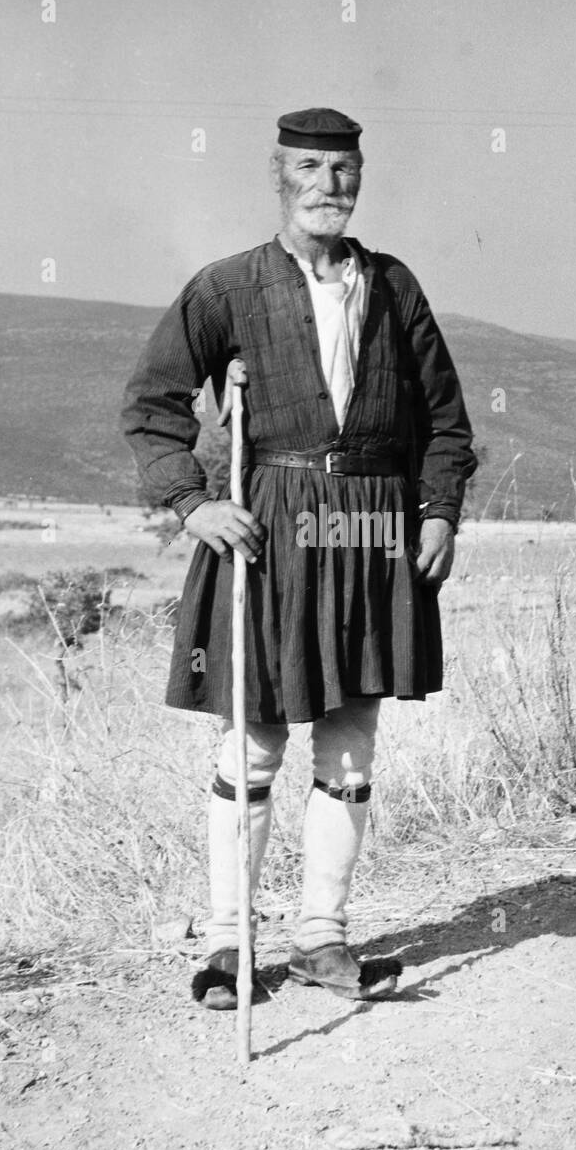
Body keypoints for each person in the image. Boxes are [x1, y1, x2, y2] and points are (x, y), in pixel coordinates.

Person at [122, 107, 477, 1008]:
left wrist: (437, 514)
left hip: (370, 527)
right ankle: (227, 946)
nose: (330, 186)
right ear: (279, 175)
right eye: (311, 169)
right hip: (270, 525)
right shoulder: (227, 289)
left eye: (344, 171)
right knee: (252, 737)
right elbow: (152, 402)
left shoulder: (393, 287)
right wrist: (194, 504)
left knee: (352, 737)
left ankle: (323, 939)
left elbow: (444, 422)